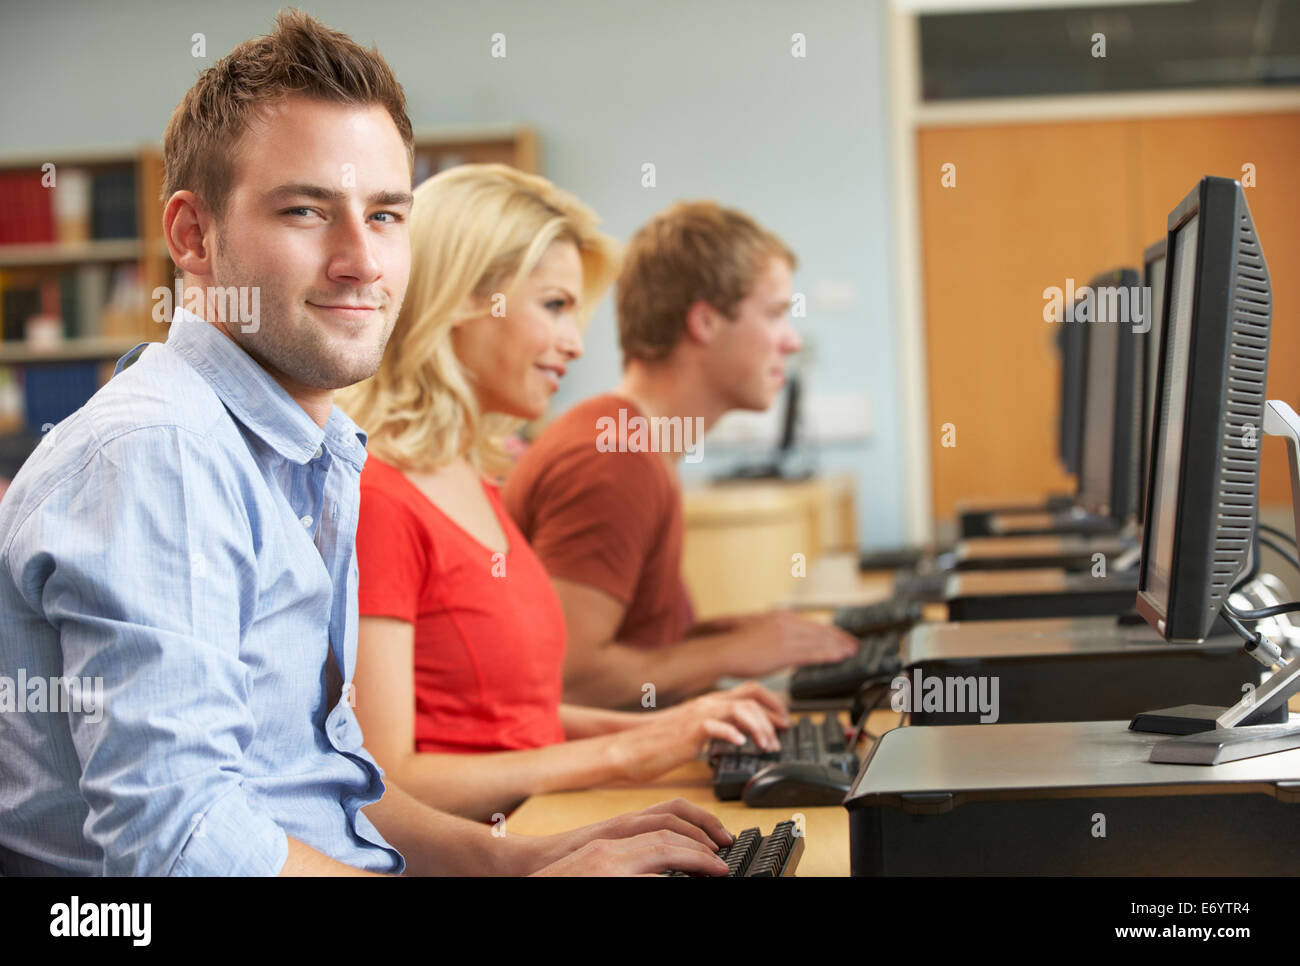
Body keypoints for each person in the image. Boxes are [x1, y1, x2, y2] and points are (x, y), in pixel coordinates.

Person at [0, 10, 735, 877]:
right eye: (307, 210)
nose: (362, 260)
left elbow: (325, 781)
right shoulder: (159, 454)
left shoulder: (314, 451)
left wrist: (523, 862)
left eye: (386, 215)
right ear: (192, 237)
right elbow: (182, 847)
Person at [336, 164, 788, 822]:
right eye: (554, 306)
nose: (575, 345)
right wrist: (622, 755)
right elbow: (384, 782)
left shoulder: (467, 474)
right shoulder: (380, 495)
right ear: (463, 298)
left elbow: (511, 723)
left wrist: (677, 726)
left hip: (536, 830)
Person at [503, 201, 861, 709]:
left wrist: (723, 641)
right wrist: (728, 653)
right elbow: (571, 679)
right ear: (706, 322)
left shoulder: (639, 446)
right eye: (777, 313)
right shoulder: (612, 460)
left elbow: (631, 646)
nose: (792, 340)